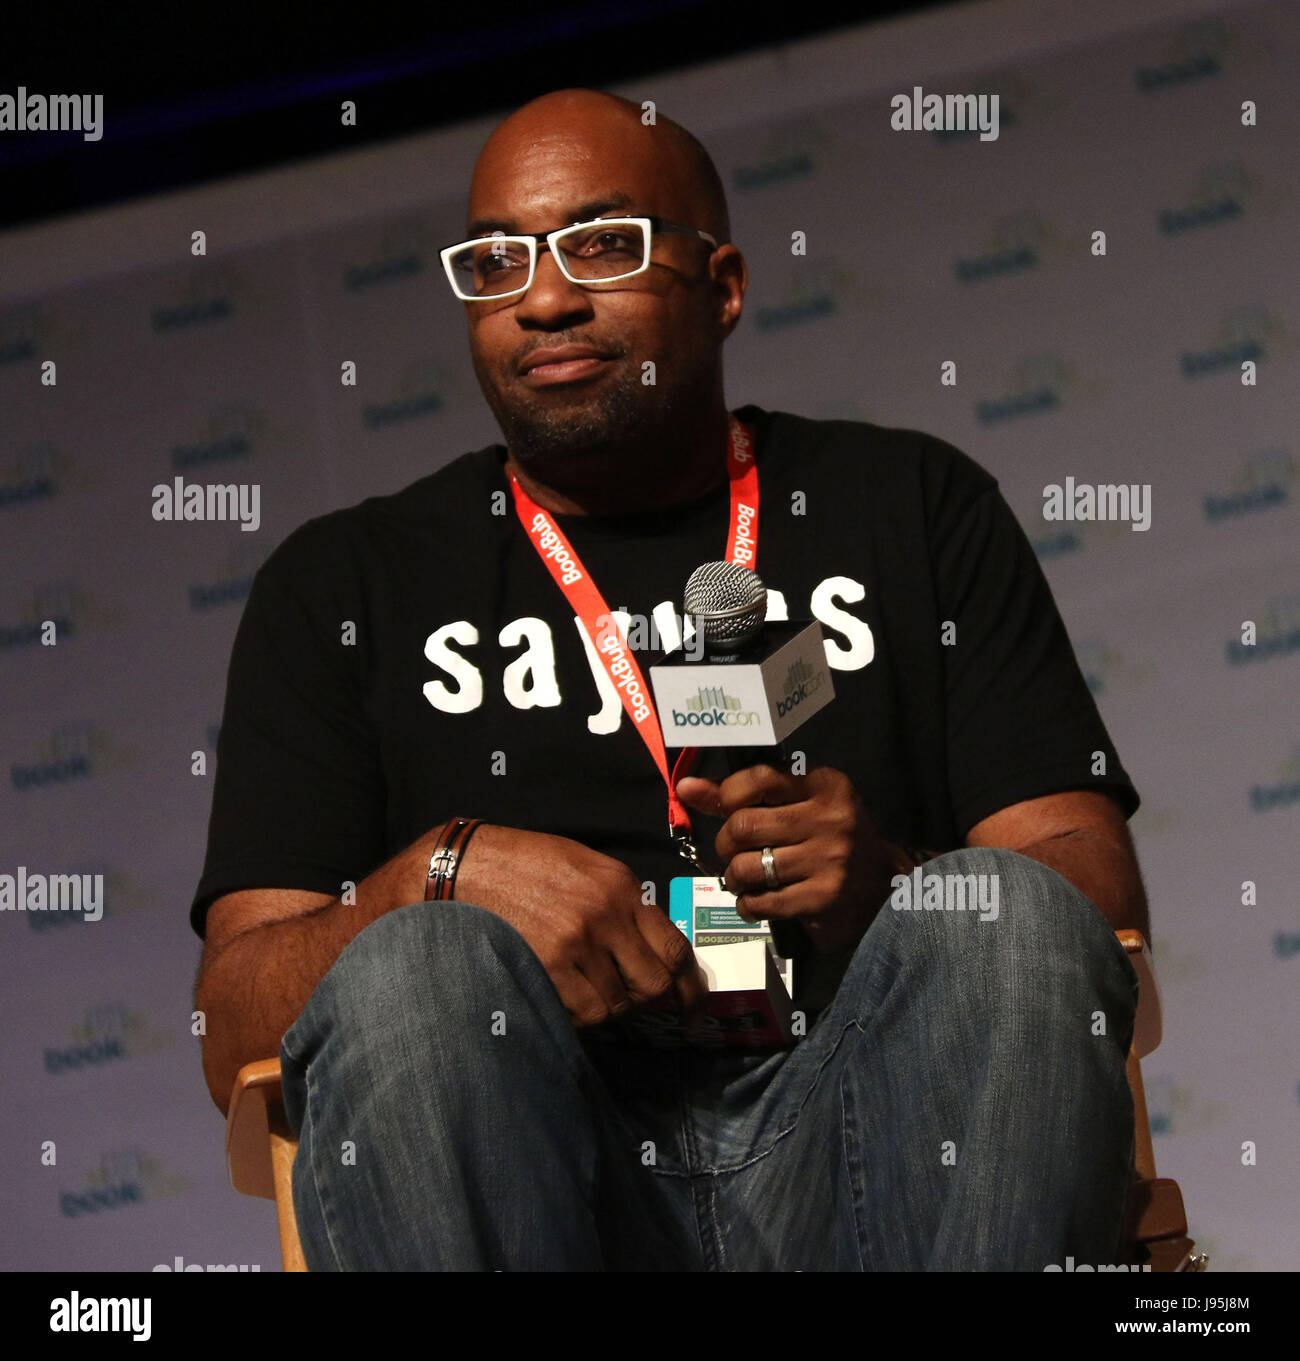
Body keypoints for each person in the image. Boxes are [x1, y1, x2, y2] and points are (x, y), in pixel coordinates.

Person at [192, 87, 1150, 1271]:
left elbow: (1089, 884)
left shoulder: (905, 502)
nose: (543, 299)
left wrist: (898, 882)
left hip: (889, 1153)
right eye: (495, 263)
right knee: (416, 969)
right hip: (549, 1172)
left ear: (724, 284)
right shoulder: (342, 584)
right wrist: (430, 883)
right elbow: (232, 1006)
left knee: (1001, 913)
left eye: (602, 244)